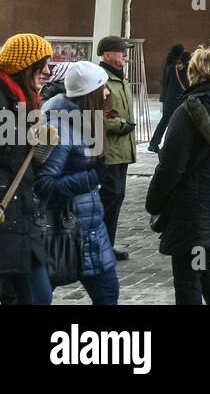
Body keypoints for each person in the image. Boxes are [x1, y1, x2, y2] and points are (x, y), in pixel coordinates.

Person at [145, 47, 210, 304]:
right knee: (201, 266)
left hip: (193, 211)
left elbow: (171, 166)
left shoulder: (187, 112)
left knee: (189, 277)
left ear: (192, 74)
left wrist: (154, 202)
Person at [34, 61, 120, 305]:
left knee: (108, 295)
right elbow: (43, 184)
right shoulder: (60, 126)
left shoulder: (86, 120)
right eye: (103, 87)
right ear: (90, 93)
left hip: (92, 230)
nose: (107, 92)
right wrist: (91, 178)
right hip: (64, 232)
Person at [0, 34, 53, 304]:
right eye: (42, 64)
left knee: (36, 296)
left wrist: (40, 145)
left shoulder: (25, 101)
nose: (47, 71)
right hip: (7, 215)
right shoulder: (5, 101)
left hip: (20, 216)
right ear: (24, 67)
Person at [96, 36, 135, 261]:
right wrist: (120, 125)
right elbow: (95, 115)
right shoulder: (101, 80)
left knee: (116, 197)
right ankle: (99, 246)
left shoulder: (121, 79)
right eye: (121, 52)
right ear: (107, 55)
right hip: (109, 150)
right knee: (108, 197)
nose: (125, 56)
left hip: (122, 151)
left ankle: (107, 245)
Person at [148, 44, 188, 154]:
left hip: (168, 99)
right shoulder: (178, 67)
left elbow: (165, 83)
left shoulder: (168, 64)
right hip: (175, 100)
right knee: (173, 124)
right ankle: (163, 145)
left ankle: (154, 143)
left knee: (164, 122)